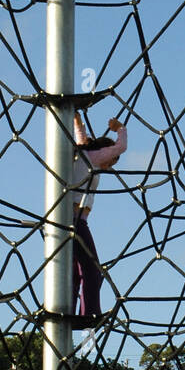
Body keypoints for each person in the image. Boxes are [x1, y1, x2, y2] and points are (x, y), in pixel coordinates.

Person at [70, 110, 127, 326]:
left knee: (76, 270)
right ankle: (90, 313)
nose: (111, 164)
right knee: (92, 270)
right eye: (112, 159)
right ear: (105, 152)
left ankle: (71, 311)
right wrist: (120, 129)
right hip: (76, 220)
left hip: (69, 218)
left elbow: (82, 140)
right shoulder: (93, 158)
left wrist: (77, 121)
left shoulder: (84, 156)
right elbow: (120, 146)